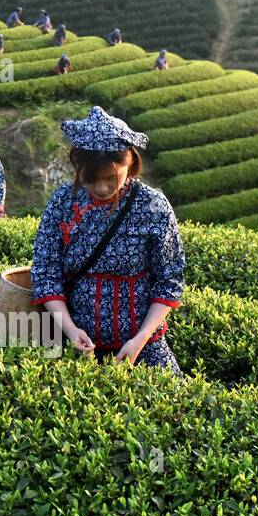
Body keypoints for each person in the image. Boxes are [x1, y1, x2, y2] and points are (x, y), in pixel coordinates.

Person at [31, 105, 185, 372]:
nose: (102, 188)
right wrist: (71, 330)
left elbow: (168, 280)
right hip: (75, 340)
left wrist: (140, 340)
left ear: (131, 164)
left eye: (112, 178)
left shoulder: (152, 205)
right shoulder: (62, 202)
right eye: (90, 180)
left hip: (142, 343)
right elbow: (46, 273)